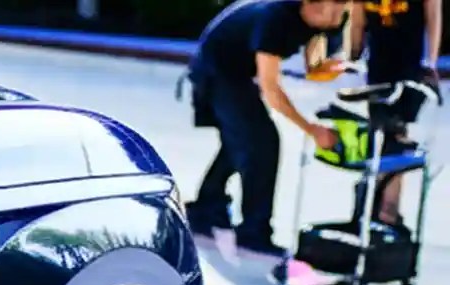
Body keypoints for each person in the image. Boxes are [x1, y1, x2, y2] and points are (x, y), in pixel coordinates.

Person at [186, 0, 349, 260]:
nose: (337, 17)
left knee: (239, 141)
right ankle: (253, 231)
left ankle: (206, 207)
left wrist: (329, 68)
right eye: (332, 9)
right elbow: (271, 89)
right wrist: (311, 130)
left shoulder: (321, 19)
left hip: (236, 72)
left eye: (342, 10)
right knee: (263, 143)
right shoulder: (274, 19)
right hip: (218, 72)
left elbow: (314, 61)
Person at [348, 0, 442, 227]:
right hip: (378, 63)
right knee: (378, 132)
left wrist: (430, 62)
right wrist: (353, 52)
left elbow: (433, 16)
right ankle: (374, 203)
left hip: (408, 63)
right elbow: (356, 18)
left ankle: (387, 208)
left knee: (396, 135)